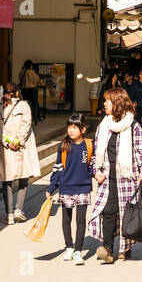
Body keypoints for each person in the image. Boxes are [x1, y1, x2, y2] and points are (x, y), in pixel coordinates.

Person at [88, 88, 142, 263]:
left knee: (126, 214)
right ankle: (107, 249)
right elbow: (96, 152)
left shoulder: (133, 126)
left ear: (117, 103)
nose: (104, 104)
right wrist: (96, 170)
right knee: (108, 211)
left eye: (107, 101)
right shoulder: (104, 124)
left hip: (127, 178)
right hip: (107, 176)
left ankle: (126, 247)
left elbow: (140, 152)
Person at [0, 80, 41, 224]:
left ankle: (9, 214)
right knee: (23, 177)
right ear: (17, 92)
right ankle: (19, 209)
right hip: (21, 146)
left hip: (5, 147)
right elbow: (26, 125)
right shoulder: (24, 106)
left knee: (6, 180)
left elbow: (0, 130)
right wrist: (18, 141)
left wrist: (8, 142)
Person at [48, 113, 93, 265]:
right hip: (66, 188)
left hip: (83, 187)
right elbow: (58, 168)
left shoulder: (88, 145)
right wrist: (51, 187)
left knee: (81, 221)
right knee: (66, 220)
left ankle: (78, 251)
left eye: (75, 127)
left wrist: (98, 175)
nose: (71, 130)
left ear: (83, 129)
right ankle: (69, 246)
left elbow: (91, 166)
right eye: (69, 127)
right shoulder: (63, 146)